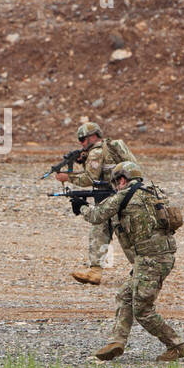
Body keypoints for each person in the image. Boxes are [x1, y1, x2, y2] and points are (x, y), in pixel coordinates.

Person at [81, 161, 184, 362]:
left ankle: (176, 345)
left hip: (150, 259)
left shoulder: (124, 196)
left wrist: (82, 208)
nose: (115, 187)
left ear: (122, 180)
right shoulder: (155, 193)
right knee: (125, 295)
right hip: (158, 256)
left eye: (115, 182)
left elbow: (97, 216)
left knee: (142, 309)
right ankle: (116, 341)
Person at [55, 121, 138, 285]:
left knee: (117, 233)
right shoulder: (108, 148)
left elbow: (89, 178)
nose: (81, 143)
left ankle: (135, 269)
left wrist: (68, 177)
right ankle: (97, 271)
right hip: (122, 195)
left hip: (111, 197)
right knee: (103, 231)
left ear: (93, 136)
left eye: (83, 139)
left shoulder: (96, 152)